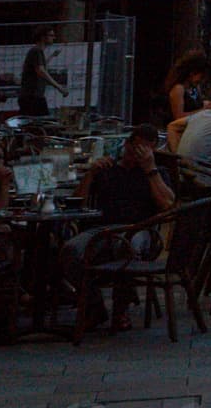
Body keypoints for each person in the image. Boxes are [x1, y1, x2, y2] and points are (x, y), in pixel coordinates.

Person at [71, 126, 174, 330]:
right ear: (127, 145)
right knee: (71, 251)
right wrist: (90, 174)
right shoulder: (108, 170)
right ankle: (94, 306)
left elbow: (169, 205)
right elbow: (77, 203)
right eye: (135, 148)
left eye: (145, 150)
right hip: (102, 229)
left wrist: (150, 169)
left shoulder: (157, 173)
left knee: (128, 248)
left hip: (140, 229)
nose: (137, 154)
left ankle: (121, 309)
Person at [162, 52, 211, 135]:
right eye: (201, 77)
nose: (202, 81)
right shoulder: (178, 89)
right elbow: (178, 117)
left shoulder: (195, 88)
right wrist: (204, 110)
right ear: (192, 73)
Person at [16, 27, 56, 118]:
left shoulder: (38, 51)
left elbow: (41, 66)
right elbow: (41, 70)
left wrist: (52, 56)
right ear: (42, 37)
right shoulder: (36, 51)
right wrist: (58, 87)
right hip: (32, 96)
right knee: (40, 122)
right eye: (51, 35)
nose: (54, 38)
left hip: (34, 96)